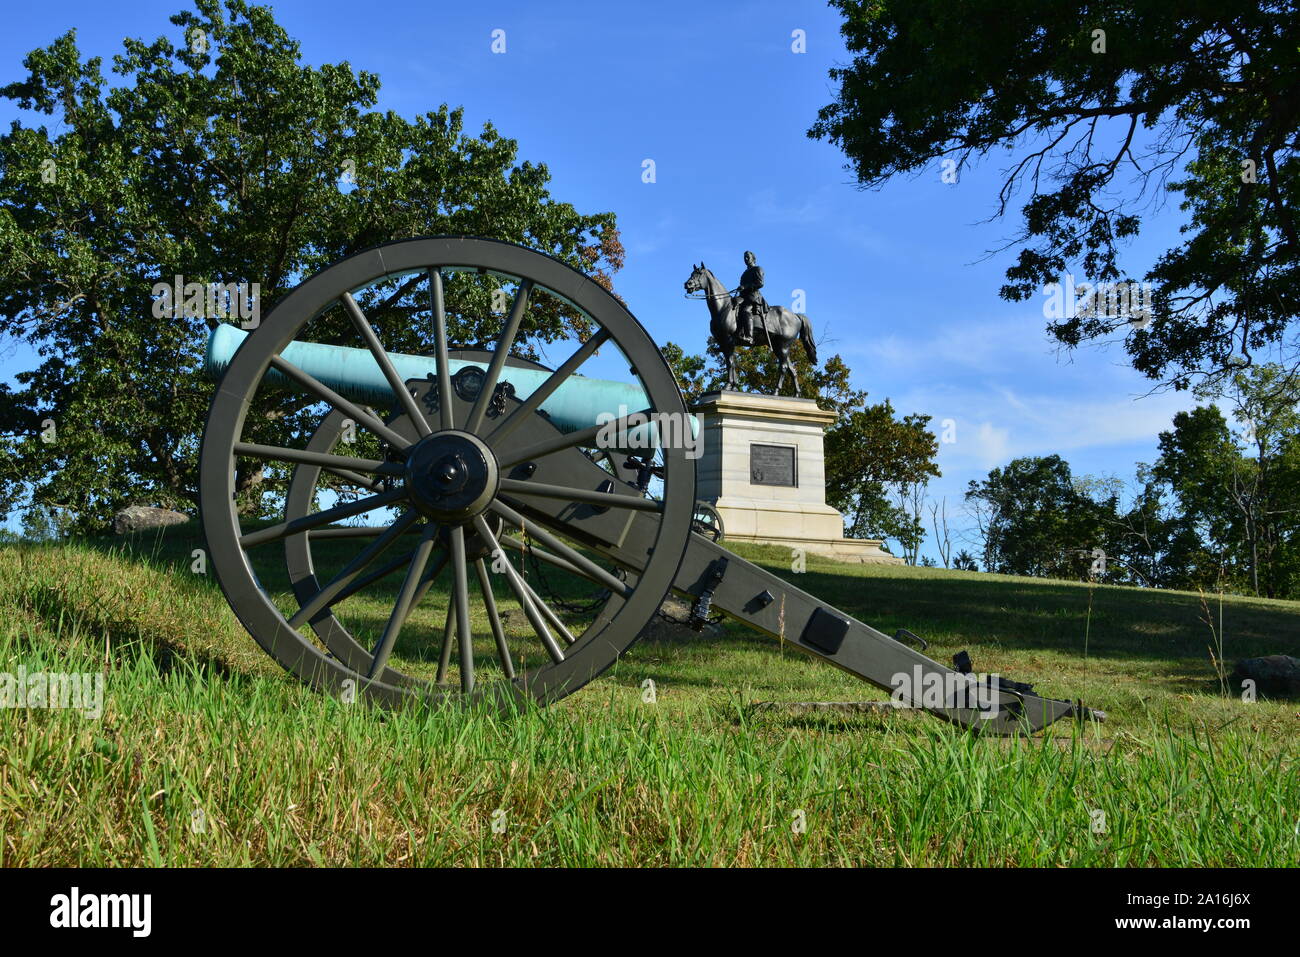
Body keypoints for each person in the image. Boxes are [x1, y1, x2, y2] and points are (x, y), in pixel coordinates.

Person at [736, 250, 766, 347]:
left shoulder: (757, 269)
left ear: (753, 258)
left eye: (747, 257)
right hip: (743, 296)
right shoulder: (744, 274)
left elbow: (760, 283)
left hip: (753, 297)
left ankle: (749, 336)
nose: (746, 259)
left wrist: (745, 287)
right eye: (744, 257)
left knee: (745, 311)